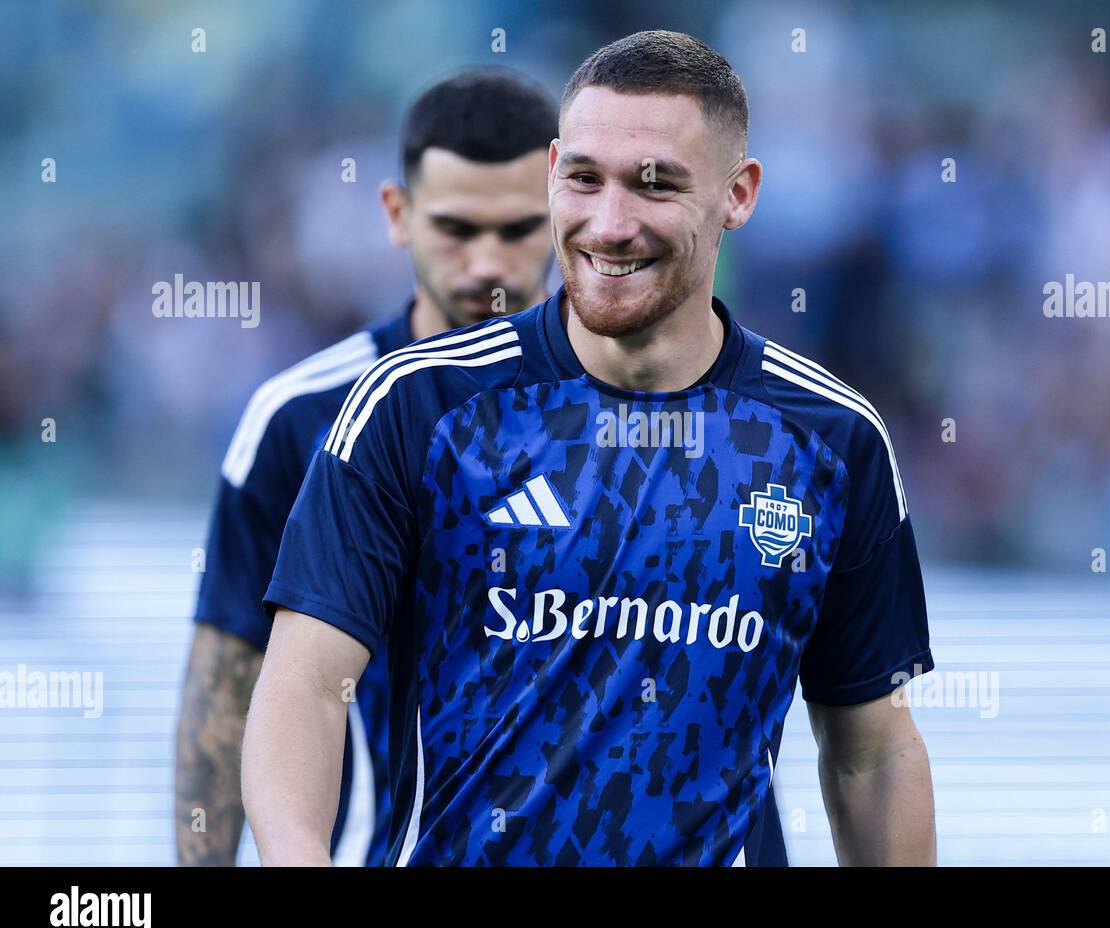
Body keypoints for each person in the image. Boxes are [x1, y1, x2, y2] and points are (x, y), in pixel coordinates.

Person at [244, 30, 934, 866]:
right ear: (551, 175)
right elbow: (305, 686)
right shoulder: (419, 408)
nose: (610, 224)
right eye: (583, 179)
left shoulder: (832, 440)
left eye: (655, 186)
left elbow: (873, 752)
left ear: (739, 194)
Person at [176, 66, 558, 865]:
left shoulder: (638, 409)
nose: (488, 263)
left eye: (520, 229)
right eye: (456, 228)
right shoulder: (298, 420)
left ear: (565, 218)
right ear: (397, 214)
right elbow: (226, 690)